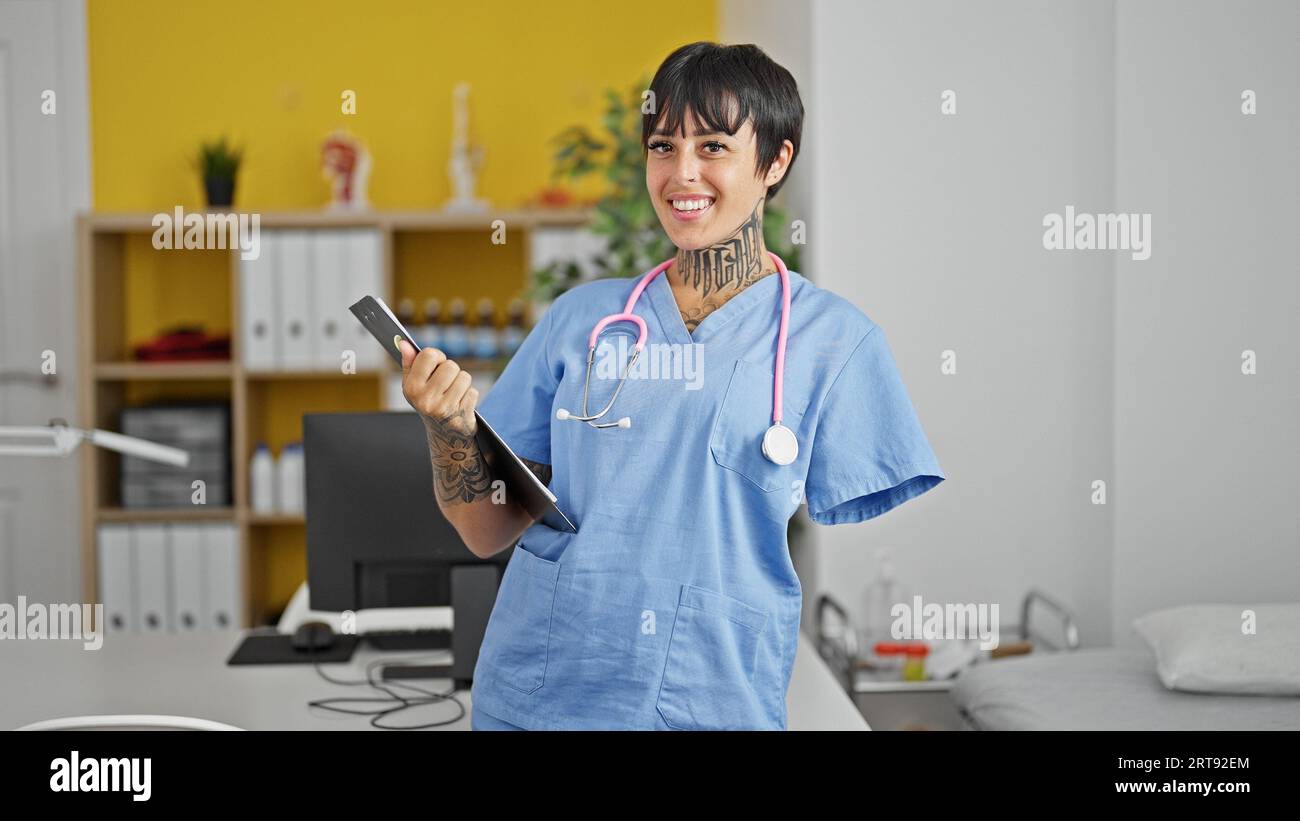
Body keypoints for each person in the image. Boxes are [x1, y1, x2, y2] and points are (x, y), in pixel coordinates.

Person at [399, 41, 945, 731]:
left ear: (775, 161)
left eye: (713, 145)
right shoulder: (581, 322)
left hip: (713, 702)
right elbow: (484, 529)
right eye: (663, 146)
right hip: (542, 698)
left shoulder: (835, 343)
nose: (681, 173)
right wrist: (446, 429)